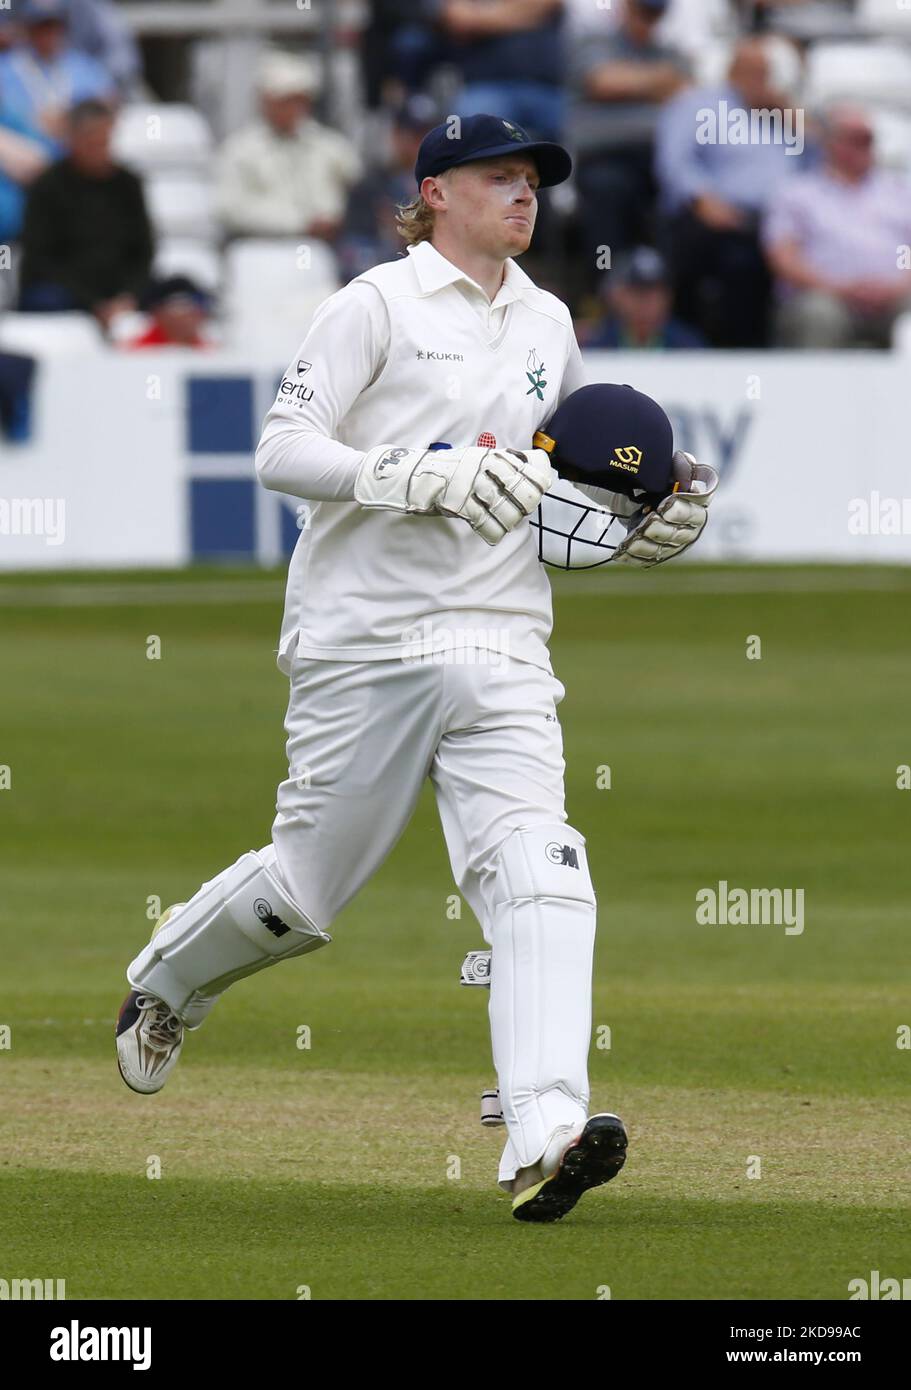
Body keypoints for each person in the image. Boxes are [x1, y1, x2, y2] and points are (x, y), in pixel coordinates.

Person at [115, 114, 712, 1223]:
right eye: (500, 178)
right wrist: (414, 474)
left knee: (539, 870)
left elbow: (554, 486)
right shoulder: (373, 305)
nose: (523, 197)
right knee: (302, 894)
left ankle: (544, 1126)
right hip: (364, 640)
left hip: (500, 638)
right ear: (434, 191)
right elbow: (281, 451)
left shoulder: (545, 321)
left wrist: (643, 510)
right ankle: (167, 985)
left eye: (532, 181)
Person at [655, 36, 801, 347]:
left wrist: (793, 118)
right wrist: (702, 198)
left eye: (765, 72)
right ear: (733, 69)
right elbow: (673, 160)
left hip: (779, 220)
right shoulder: (699, 103)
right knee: (740, 262)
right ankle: (727, 352)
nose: (760, 80)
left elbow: (814, 166)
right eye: (753, 71)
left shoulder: (779, 114)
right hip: (715, 216)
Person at [763, 104, 911, 349]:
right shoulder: (796, 193)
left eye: (869, 139)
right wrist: (839, 288)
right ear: (830, 142)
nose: (865, 146)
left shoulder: (900, 191)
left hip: (895, 297)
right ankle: (813, 387)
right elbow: (783, 257)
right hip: (824, 296)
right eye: (856, 139)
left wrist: (896, 287)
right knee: (818, 315)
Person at [567, 0, 690, 270]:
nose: (647, 20)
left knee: (687, 199)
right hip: (604, 156)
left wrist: (635, 82)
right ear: (626, 7)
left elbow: (687, 93)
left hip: (658, 160)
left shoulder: (670, 53)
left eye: (654, 13)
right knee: (608, 190)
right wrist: (660, 83)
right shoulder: (596, 42)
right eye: (642, 11)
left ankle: (666, 298)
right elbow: (604, 82)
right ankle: (605, 287)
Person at [18, 98, 153, 326]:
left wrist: (128, 296)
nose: (100, 149)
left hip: (119, 290)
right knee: (46, 301)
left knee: (180, 295)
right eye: (92, 142)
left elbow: (143, 250)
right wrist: (93, 304)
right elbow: (41, 260)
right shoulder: (47, 186)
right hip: (67, 291)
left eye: (105, 141)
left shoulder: (128, 184)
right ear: (73, 140)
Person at [214, 49, 361, 243]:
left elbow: (358, 185)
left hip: (330, 247)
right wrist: (301, 224)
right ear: (266, 101)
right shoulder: (239, 150)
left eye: (300, 100)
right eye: (286, 101)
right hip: (262, 249)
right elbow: (229, 209)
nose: (295, 109)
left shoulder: (330, 145)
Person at [337, 92, 441, 281]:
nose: (424, 142)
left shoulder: (450, 187)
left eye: (430, 134)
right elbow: (353, 256)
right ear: (396, 134)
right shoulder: (369, 186)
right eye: (415, 135)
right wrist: (399, 241)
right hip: (388, 282)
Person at [442, 0, 567, 143]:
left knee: (582, 124)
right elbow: (460, 19)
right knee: (465, 128)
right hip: (485, 88)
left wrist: (484, 16)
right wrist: (528, 13)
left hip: (547, 90)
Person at [0, 0, 115, 150]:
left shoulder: (82, 65)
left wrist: (69, 119)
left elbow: (107, 101)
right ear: (28, 30)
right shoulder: (8, 66)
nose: (48, 34)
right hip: (25, 150)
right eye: (41, 27)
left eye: (54, 27)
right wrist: (34, 120)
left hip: (76, 152)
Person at [585, 245, 706, 348]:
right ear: (617, 296)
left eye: (653, 294)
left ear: (668, 298)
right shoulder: (597, 348)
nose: (644, 304)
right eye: (637, 293)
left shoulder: (688, 347)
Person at [126, 276, 212, 349]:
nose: (192, 314)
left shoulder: (209, 351)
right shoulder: (137, 353)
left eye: (197, 306)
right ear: (158, 313)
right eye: (181, 306)